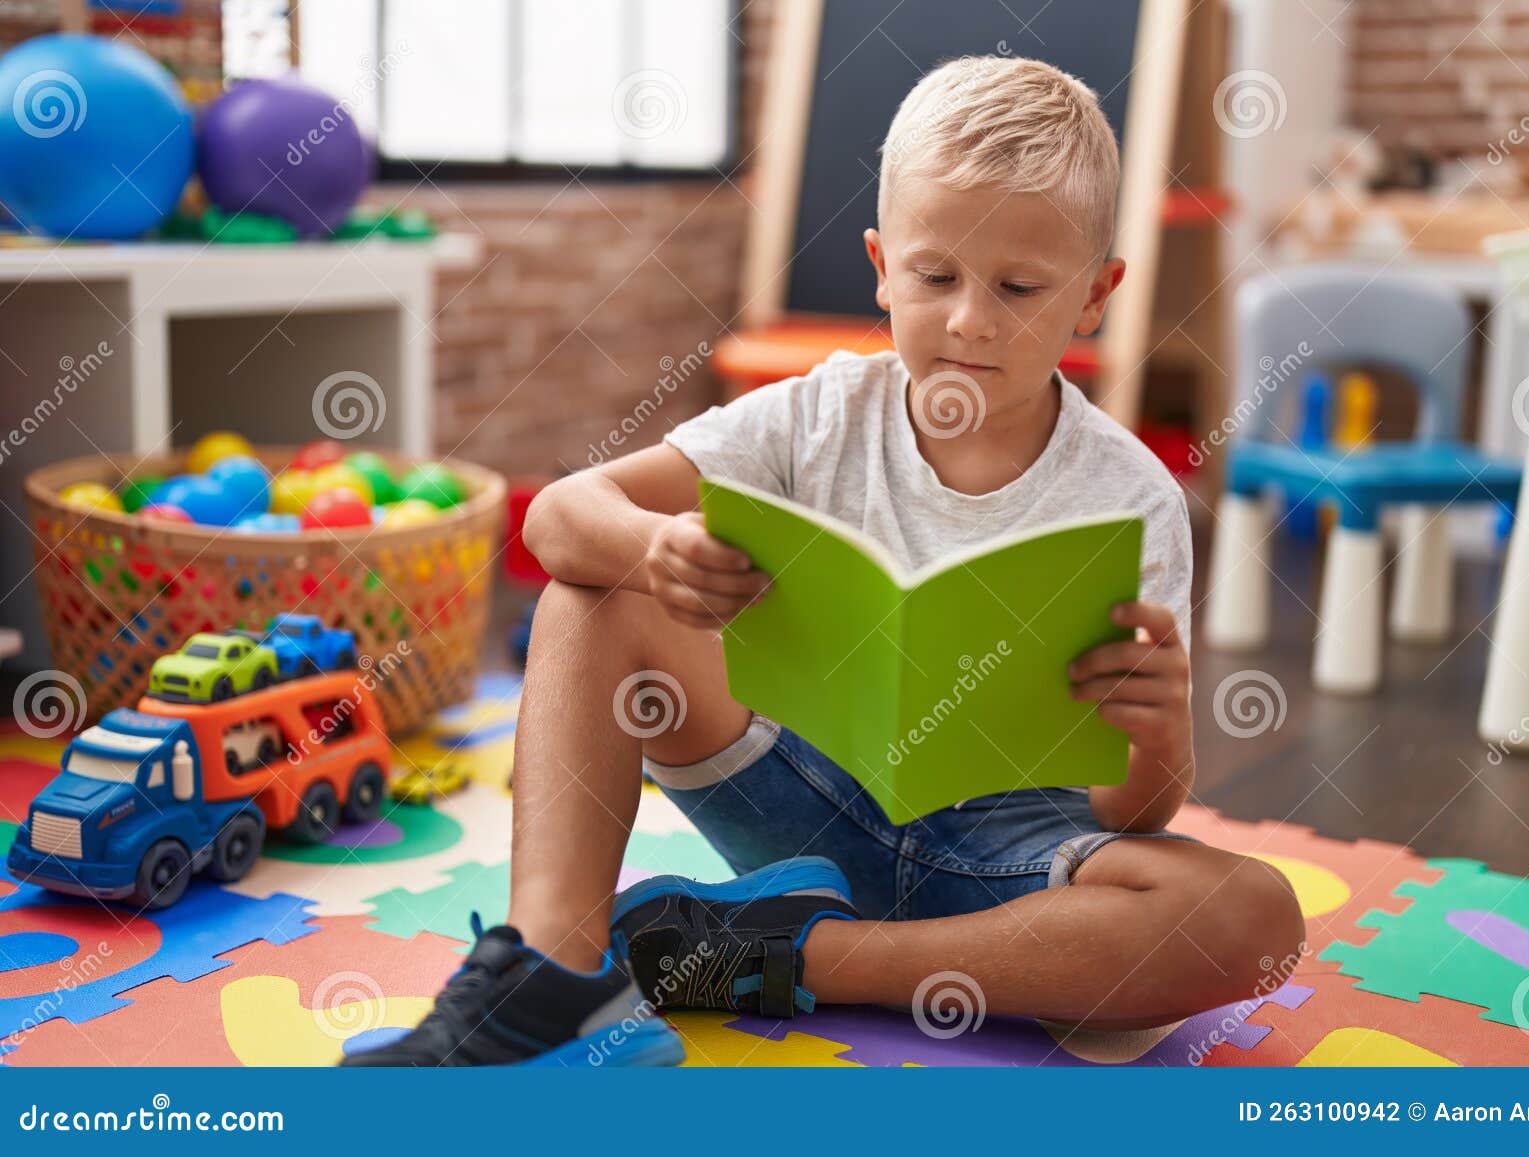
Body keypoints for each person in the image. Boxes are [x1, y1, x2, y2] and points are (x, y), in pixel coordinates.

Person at [346, 54, 1304, 1068]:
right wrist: (658, 546)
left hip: (1017, 867)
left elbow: (1133, 816)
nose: (970, 319)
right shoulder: (819, 414)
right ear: (882, 267)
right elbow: (561, 518)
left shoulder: (1135, 497)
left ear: (1094, 295)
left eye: (1020, 287)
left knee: (1254, 919)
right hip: (803, 804)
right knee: (595, 591)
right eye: (935, 276)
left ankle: (794, 954)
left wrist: (1157, 735)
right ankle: (552, 974)